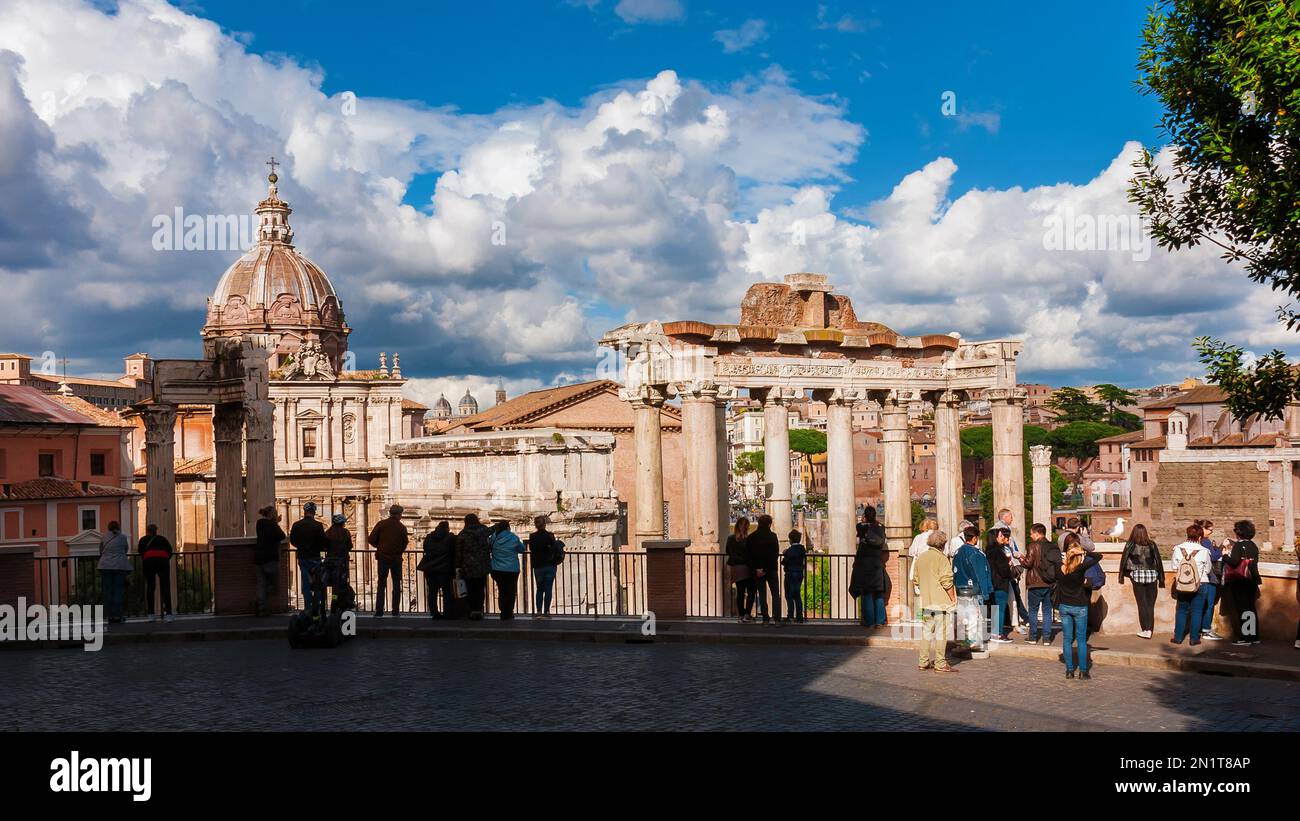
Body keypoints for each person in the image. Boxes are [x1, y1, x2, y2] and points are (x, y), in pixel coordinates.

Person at [1057, 533, 1102, 679]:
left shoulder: (1060, 568)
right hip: (1080, 606)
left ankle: (1069, 670)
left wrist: (1068, 555)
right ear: (1078, 555)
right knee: (1081, 640)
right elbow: (1098, 556)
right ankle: (1083, 671)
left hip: (1064, 606)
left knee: (1067, 639)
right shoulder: (1081, 568)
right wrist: (1082, 551)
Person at [914, 524, 958, 673]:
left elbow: (916, 579)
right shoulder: (942, 559)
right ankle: (940, 663)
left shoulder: (921, 557)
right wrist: (953, 598)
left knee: (926, 633)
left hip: (926, 601)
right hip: (941, 602)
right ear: (943, 544)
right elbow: (947, 581)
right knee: (941, 634)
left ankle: (923, 661)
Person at [1170, 523, 1213, 646]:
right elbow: (1208, 569)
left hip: (1183, 584)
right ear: (1200, 537)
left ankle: (1178, 637)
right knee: (1197, 611)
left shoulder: (1178, 549)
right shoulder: (1204, 551)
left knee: (1181, 610)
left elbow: (1174, 567)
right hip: (1201, 583)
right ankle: (1194, 639)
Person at [1221, 520, 1262, 646]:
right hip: (1252, 580)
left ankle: (1245, 638)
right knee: (1251, 609)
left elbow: (1233, 562)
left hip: (1240, 580)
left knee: (1242, 609)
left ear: (1239, 532)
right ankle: (1254, 636)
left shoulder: (1239, 546)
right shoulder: (1253, 546)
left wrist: (1224, 555)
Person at [1118, 523, 1162, 638]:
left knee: (1142, 604)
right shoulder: (1152, 544)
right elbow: (1158, 561)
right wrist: (1161, 579)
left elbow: (1124, 560)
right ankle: (1149, 630)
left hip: (1137, 576)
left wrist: (1122, 576)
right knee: (1150, 605)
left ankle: (1145, 629)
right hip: (1152, 575)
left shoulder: (1130, 545)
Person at [368, 504, 409, 618]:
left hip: (383, 558)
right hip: (396, 559)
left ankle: (379, 611)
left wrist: (380, 547)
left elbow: (371, 539)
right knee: (396, 584)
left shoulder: (381, 524)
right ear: (399, 514)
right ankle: (395, 611)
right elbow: (405, 543)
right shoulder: (401, 527)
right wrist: (398, 550)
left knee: (381, 584)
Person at [993, 508, 1031, 631]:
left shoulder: (999, 533)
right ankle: (999, 631)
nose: (1012, 519)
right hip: (1004, 574)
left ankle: (1013, 624)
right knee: (1005, 601)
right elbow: (1011, 549)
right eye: (1010, 516)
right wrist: (1018, 556)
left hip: (1005, 572)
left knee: (1012, 598)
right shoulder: (1001, 532)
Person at [951, 526, 991, 642]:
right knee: (975, 617)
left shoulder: (958, 552)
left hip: (960, 588)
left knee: (963, 617)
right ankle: (973, 642)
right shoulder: (976, 553)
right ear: (974, 538)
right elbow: (981, 574)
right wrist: (985, 592)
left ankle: (962, 641)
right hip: (974, 589)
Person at [850, 512, 888, 628]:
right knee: (878, 593)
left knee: (867, 593)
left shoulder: (862, 528)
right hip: (877, 565)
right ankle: (880, 621)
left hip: (865, 565)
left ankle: (870, 622)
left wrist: (865, 521)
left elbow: (859, 526)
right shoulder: (880, 529)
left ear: (865, 517)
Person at [1023, 523, 1057, 645]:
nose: (1031, 535)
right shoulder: (1052, 546)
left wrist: (1021, 558)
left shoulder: (1032, 546)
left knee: (1033, 610)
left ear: (1037, 533)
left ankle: (1033, 637)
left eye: (1031, 533)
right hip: (1049, 583)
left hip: (1035, 583)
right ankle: (1047, 638)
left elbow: (1028, 563)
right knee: (1047, 611)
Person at [290, 503, 326, 616]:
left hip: (302, 557)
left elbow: (293, 541)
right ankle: (317, 606)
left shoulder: (296, 525)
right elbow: (322, 542)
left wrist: (301, 547)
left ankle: (307, 607)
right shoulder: (318, 525)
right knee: (317, 583)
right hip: (315, 557)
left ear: (304, 512)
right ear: (314, 512)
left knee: (306, 582)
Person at [456, 513, 492, 619]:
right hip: (481, 565)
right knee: (480, 589)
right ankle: (478, 610)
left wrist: (458, 566)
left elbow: (459, 552)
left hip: (468, 566)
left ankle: (471, 610)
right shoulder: (484, 530)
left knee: (470, 589)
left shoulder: (463, 533)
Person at [489, 520, 527, 619]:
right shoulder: (513, 537)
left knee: (502, 590)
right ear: (507, 528)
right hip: (511, 569)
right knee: (510, 591)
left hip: (497, 569)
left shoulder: (494, 537)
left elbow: (489, 546)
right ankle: (509, 612)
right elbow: (522, 549)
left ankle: (503, 611)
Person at [418, 520, 456, 619]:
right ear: (447, 528)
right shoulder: (450, 538)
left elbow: (425, 549)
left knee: (432, 592)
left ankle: (434, 613)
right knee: (447, 592)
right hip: (444, 569)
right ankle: (447, 613)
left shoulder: (429, 537)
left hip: (430, 568)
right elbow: (454, 550)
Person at [527, 516, 563, 617]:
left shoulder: (532, 536)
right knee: (548, 589)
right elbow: (554, 548)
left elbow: (532, 549)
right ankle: (546, 611)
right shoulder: (550, 536)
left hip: (538, 566)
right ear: (545, 524)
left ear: (535, 525)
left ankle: (538, 611)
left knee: (539, 589)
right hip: (550, 565)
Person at [748, 514, 781, 625]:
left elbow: (749, 556)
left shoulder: (752, 537)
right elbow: (774, 554)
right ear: (769, 524)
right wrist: (765, 569)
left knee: (762, 594)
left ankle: (765, 619)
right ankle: (777, 619)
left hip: (758, 571)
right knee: (775, 594)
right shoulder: (773, 536)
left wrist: (756, 569)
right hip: (771, 569)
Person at [138, 523, 174, 622]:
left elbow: (140, 551)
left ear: (147, 531)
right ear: (156, 531)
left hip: (149, 561)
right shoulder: (163, 539)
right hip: (163, 560)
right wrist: (165, 559)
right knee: (165, 587)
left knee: (150, 587)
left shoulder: (143, 539)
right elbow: (170, 551)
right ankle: (169, 614)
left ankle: (151, 614)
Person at [253, 506, 286, 617]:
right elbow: (282, 536)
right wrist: (276, 522)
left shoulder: (259, 523)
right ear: (272, 514)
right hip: (270, 558)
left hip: (258, 558)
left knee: (260, 584)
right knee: (273, 583)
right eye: (275, 513)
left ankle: (261, 607)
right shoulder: (272, 525)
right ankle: (272, 606)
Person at [984, 527, 1014, 643]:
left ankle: (994, 632)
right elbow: (1004, 570)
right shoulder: (998, 552)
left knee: (994, 609)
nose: (1003, 538)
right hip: (1000, 583)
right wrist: (1009, 566)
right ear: (995, 538)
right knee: (1000, 609)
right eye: (1001, 536)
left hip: (992, 583)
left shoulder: (988, 551)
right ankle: (998, 633)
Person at [1196, 520, 1225, 641]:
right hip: (1209, 577)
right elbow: (1213, 556)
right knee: (1209, 604)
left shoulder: (1196, 540)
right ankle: (1206, 629)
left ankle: (1198, 629)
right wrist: (1222, 549)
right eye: (1209, 530)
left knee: (1199, 605)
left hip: (1198, 576)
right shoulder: (1205, 541)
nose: (1211, 532)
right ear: (1203, 529)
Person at [97, 521, 131, 624]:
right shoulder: (123, 537)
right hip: (119, 566)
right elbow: (125, 549)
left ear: (108, 527)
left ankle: (110, 615)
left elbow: (101, 550)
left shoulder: (104, 537)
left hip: (105, 566)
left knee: (108, 591)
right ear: (118, 527)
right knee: (118, 590)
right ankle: (118, 615)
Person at [726, 517, 754, 622]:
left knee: (740, 592)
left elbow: (727, 551)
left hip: (737, 568)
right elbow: (752, 554)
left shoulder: (730, 538)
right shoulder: (750, 539)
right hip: (748, 568)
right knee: (751, 592)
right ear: (747, 527)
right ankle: (747, 614)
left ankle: (740, 615)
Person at [782, 530, 808, 624]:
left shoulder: (789, 551)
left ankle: (790, 616)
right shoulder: (802, 549)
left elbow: (785, 562)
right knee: (797, 595)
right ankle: (799, 616)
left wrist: (784, 554)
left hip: (790, 574)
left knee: (788, 595)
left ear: (791, 540)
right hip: (799, 573)